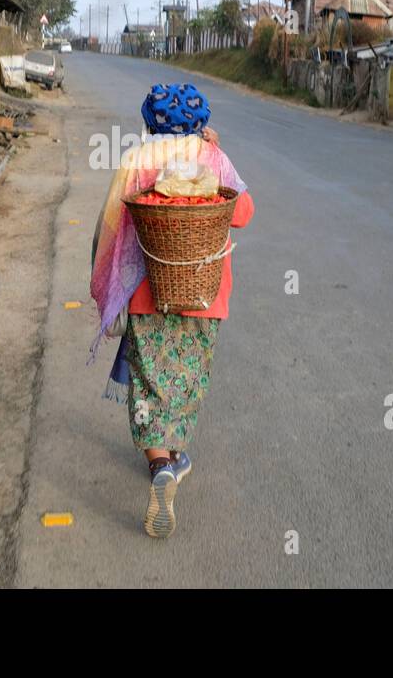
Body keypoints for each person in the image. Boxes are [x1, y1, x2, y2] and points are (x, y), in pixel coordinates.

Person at [89, 83, 254, 538]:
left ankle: (160, 463)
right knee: (187, 373)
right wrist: (213, 153)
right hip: (204, 295)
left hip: (148, 292)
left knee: (148, 377)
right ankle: (176, 453)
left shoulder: (136, 161)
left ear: (149, 121)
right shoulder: (212, 158)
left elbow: (112, 222)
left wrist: (105, 287)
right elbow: (243, 212)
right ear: (200, 121)